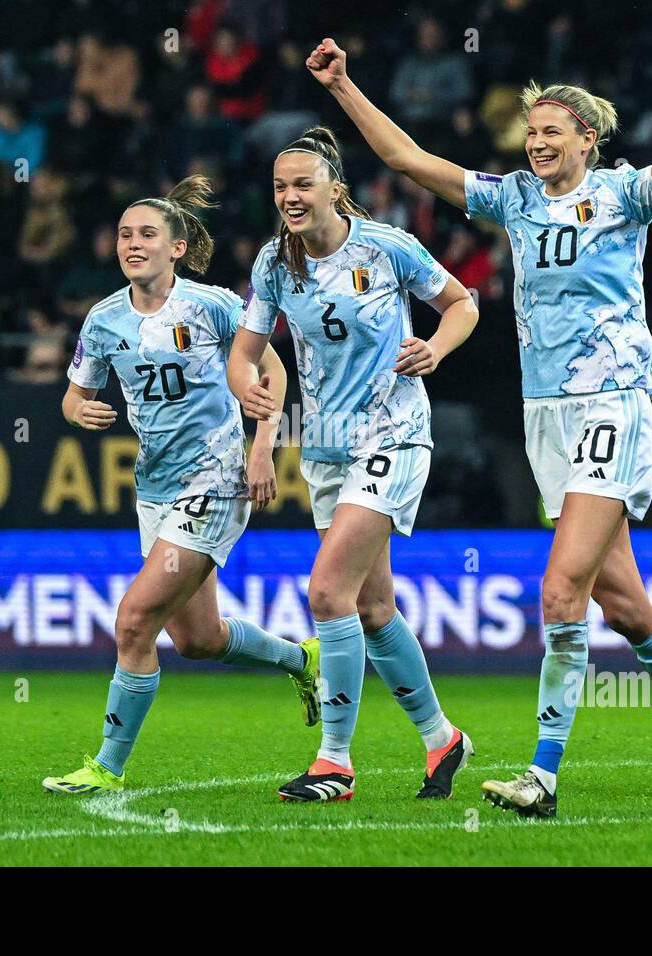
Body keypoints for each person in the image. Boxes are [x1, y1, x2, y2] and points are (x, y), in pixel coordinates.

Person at [306, 20, 652, 817]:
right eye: (531, 132)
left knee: (560, 593)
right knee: (625, 605)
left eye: (551, 132)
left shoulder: (622, 195)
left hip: (612, 401)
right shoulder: (512, 198)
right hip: (544, 413)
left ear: (587, 136)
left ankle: (541, 778)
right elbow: (410, 161)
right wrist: (342, 86)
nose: (537, 143)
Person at [42, 176, 319, 796]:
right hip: (155, 487)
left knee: (134, 621)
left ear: (177, 248)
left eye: (146, 234)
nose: (132, 244)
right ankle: (303, 660)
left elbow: (271, 370)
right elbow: (72, 395)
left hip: (216, 479)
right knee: (197, 639)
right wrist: (76, 412)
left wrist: (262, 448)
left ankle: (106, 767)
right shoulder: (104, 318)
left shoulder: (215, 306)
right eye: (124, 234)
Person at [228, 127, 480, 802]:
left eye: (302, 184)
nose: (289, 196)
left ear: (335, 190)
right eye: (280, 186)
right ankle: (442, 739)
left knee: (327, 593)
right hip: (327, 450)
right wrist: (253, 410)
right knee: (370, 607)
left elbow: (463, 302)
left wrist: (436, 347)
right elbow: (243, 354)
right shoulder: (274, 265)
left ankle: (334, 763)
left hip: (393, 435)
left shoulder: (386, 247)